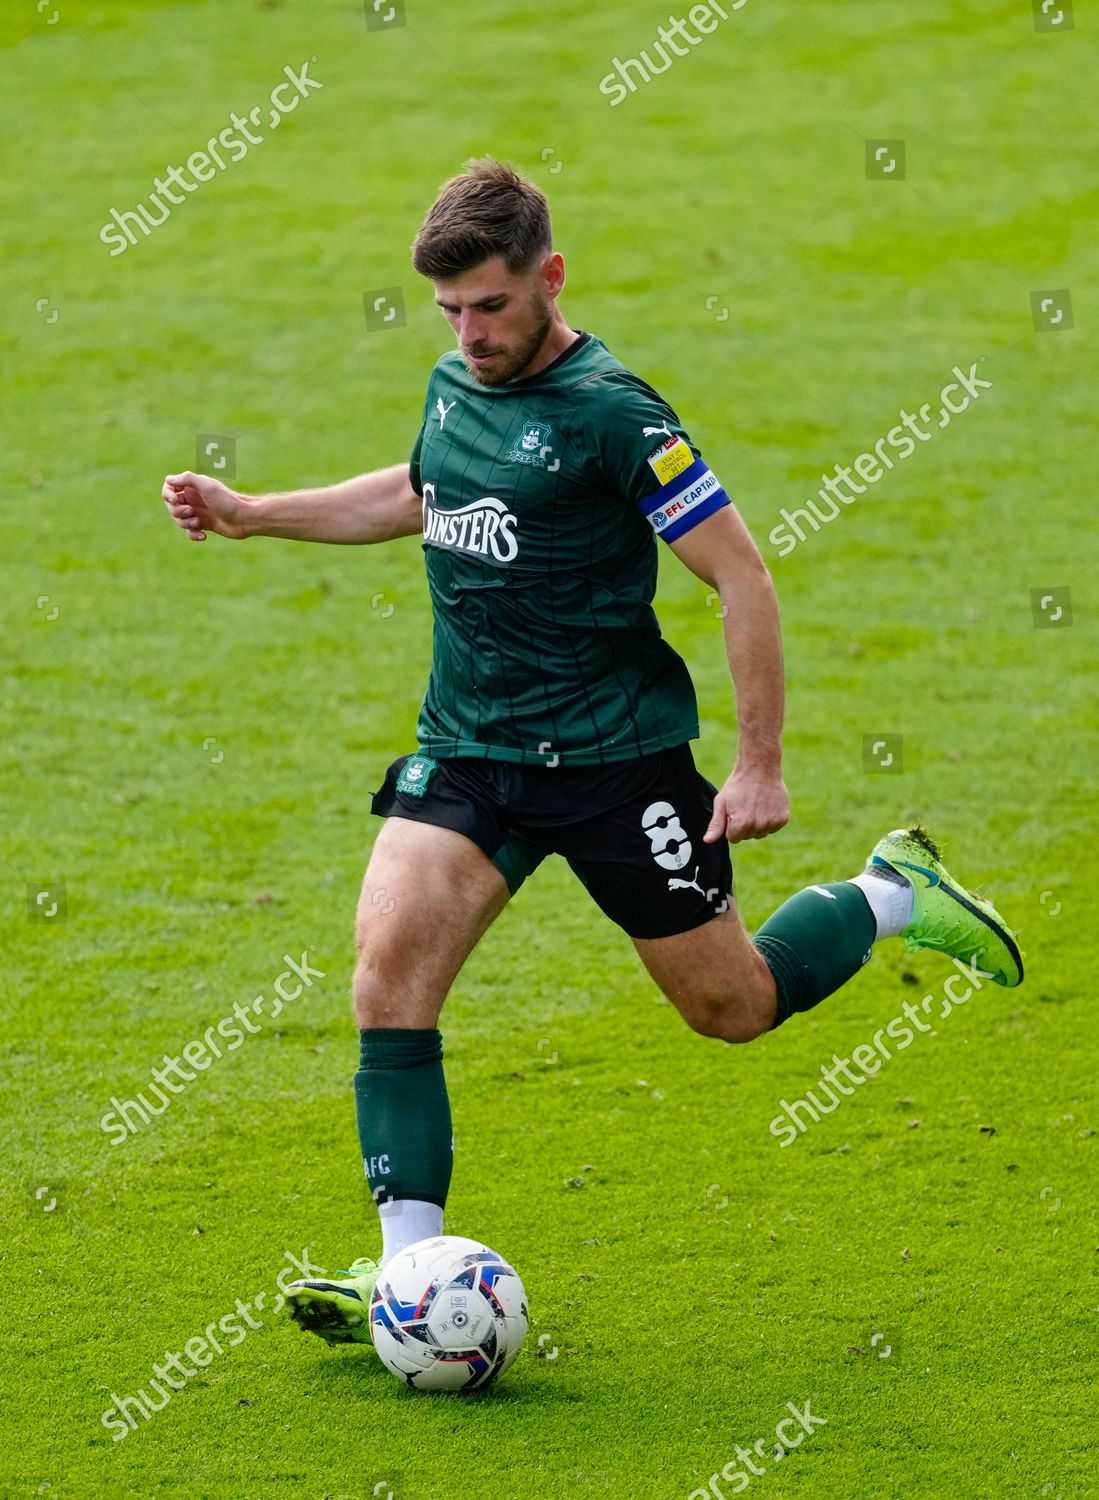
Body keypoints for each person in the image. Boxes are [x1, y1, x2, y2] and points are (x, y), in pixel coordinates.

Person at [162, 159, 1023, 1348]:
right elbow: (422, 489)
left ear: (549, 278)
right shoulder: (455, 385)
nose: (470, 333)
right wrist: (256, 511)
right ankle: (407, 1279)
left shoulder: (621, 417)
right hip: (469, 751)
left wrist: (759, 762)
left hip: (616, 764)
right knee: (387, 979)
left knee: (732, 1008)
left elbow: (741, 574)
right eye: (450, 310)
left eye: (492, 306)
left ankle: (888, 892)